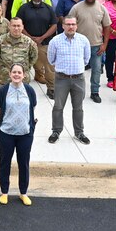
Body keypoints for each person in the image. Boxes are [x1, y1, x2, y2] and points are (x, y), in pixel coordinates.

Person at [0, 63, 37, 206]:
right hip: (6, 133)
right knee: (5, 162)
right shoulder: (3, 91)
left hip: (25, 134)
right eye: (14, 72)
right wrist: (9, 119)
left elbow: (33, 106)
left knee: (23, 163)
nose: (16, 75)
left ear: (24, 75)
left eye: (19, 72)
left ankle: (23, 193)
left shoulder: (29, 90)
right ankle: (4, 192)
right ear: (10, 74)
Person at [47, 16, 90, 145]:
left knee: (78, 107)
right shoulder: (55, 41)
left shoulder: (83, 40)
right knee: (58, 106)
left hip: (78, 79)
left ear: (77, 25)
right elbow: (51, 59)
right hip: (61, 79)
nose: (71, 27)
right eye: (68, 24)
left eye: (73, 24)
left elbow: (86, 59)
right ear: (63, 26)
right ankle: (56, 131)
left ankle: (79, 132)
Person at [68, 0, 111, 103]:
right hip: (79, 45)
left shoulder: (102, 8)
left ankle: (95, 92)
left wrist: (105, 44)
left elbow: (107, 26)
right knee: (77, 69)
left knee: (96, 70)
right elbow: (69, 24)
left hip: (96, 45)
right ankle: (76, 91)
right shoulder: (76, 8)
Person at [16, 0, 56, 97]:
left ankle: (51, 88)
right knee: (22, 66)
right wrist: (30, 38)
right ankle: (20, 88)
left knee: (49, 67)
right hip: (26, 43)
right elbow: (19, 24)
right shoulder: (24, 8)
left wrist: (42, 37)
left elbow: (54, 25)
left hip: (44, 42)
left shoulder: (48, 8)